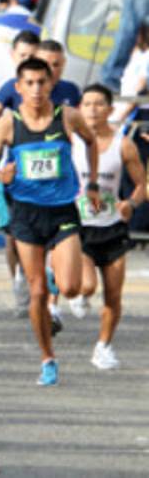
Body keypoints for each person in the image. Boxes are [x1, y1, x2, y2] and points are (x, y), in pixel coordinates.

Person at [0, 57, 99, 386]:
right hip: (26, 213)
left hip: (61, 210)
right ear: (18, 87)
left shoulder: (67, 116)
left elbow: (91, 141)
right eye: (28, 83)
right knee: (36, 292)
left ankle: (54, 271)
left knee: (72, 287)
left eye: (41, 82)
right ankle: (48, 358)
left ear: (51, 85)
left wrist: (95, 182)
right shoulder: (7, 123)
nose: (36, 89)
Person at [70, 84, 145, 370]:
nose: (92, 110)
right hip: (80, 226)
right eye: (87, 104)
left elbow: (141, 186)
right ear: (79, 109)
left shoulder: (123, 144)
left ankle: (103, 346)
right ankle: (73, 289)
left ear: (110, 110)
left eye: (99, 104)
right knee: (87, 286)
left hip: (112, 226)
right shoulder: (72, 142)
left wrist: (131, 204)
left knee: (113, 294)